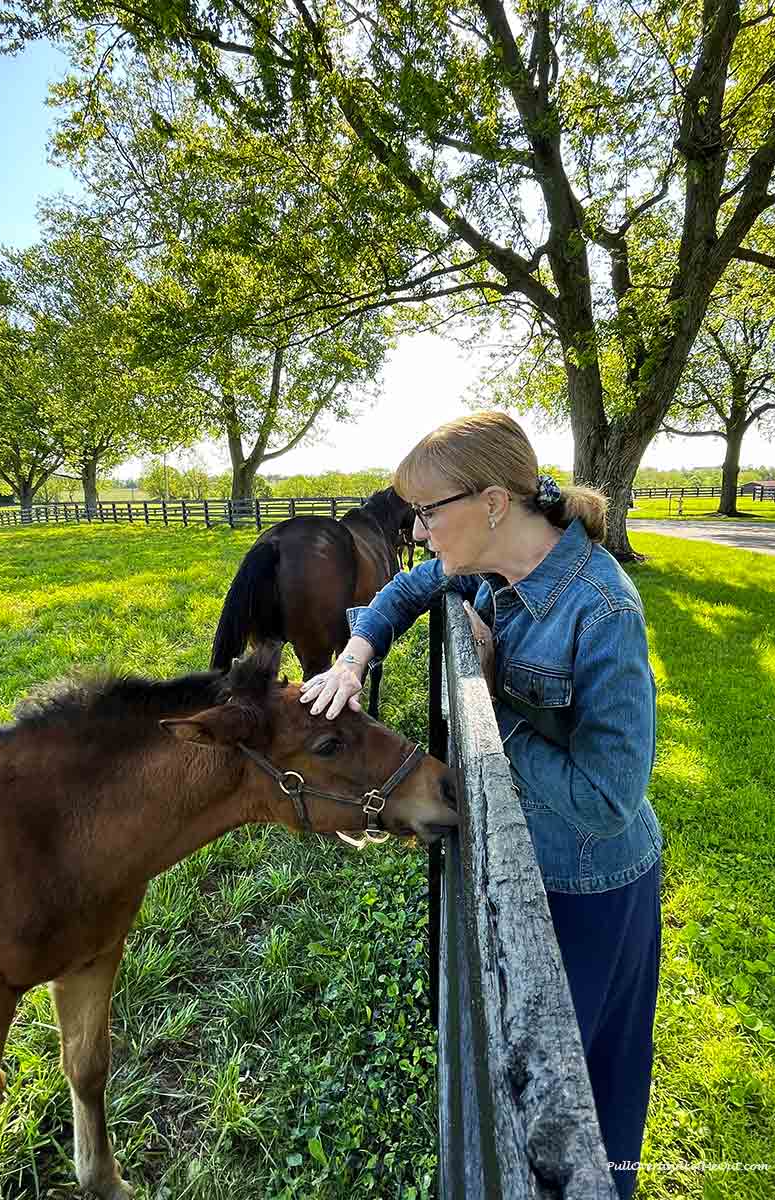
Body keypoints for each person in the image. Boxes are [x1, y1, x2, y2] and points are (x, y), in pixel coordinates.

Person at [299, 412, 661, 1199]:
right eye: (411, 515)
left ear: (493, 503)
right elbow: (409, 586)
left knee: (590, 1100)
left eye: (427, 513)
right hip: (524, 861)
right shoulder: (489, 567)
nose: (416, 533)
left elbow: (608, 799)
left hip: (591, 884)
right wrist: (355, 658)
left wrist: (489, 706)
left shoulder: (603, 610)